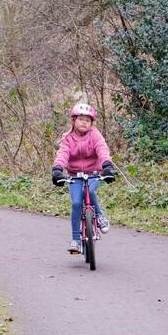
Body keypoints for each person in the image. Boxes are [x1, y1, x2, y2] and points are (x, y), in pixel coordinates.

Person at [51, 102, 116, 254]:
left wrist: (107, 166)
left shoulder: (95, 135)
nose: (84, 123)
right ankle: (76, 240)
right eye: (81, 119)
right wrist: (57, 169)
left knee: (91, 192)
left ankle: (99, 217)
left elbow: (102, 149)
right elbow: (63, 154)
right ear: (73, 121)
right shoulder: (67, 138)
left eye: (87, 120)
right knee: (76, 203)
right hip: (74, 176)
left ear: (91, 123)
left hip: (93, 173)